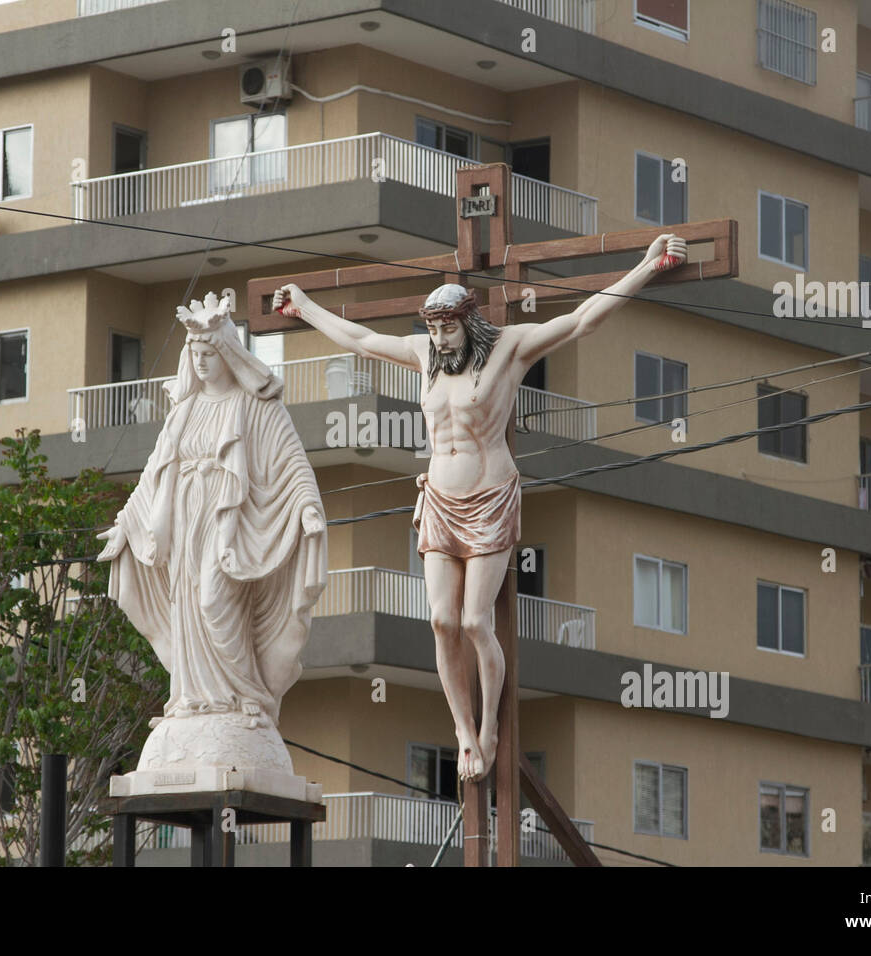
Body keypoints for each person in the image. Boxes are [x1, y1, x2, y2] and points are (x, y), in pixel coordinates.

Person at [273, 232, 686, 780]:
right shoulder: (424, 355)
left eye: (448, 327)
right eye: (434, 328)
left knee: (474, 621)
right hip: (440, 500)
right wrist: (303, 306)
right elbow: (362, 340)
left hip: (490, 497)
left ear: (469, 320)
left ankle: (489, 726)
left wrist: (646, 266)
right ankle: (463, 733)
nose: (440, 338)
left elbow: (584, 319)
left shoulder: (510, 348)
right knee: (441, 620)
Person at [96, 291, 327, 731]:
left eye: (209, 352)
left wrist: (307, 507)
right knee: (187, 604)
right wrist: (126, 523)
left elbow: (291, 459)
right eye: (194, 353)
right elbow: (156, 472)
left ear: (226, 353)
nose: (201, 362)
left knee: (214, 601)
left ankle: (247, 694)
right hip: (185, 516)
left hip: (228, 522)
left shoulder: (255, 405)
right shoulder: (184, 410)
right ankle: (192, 697)